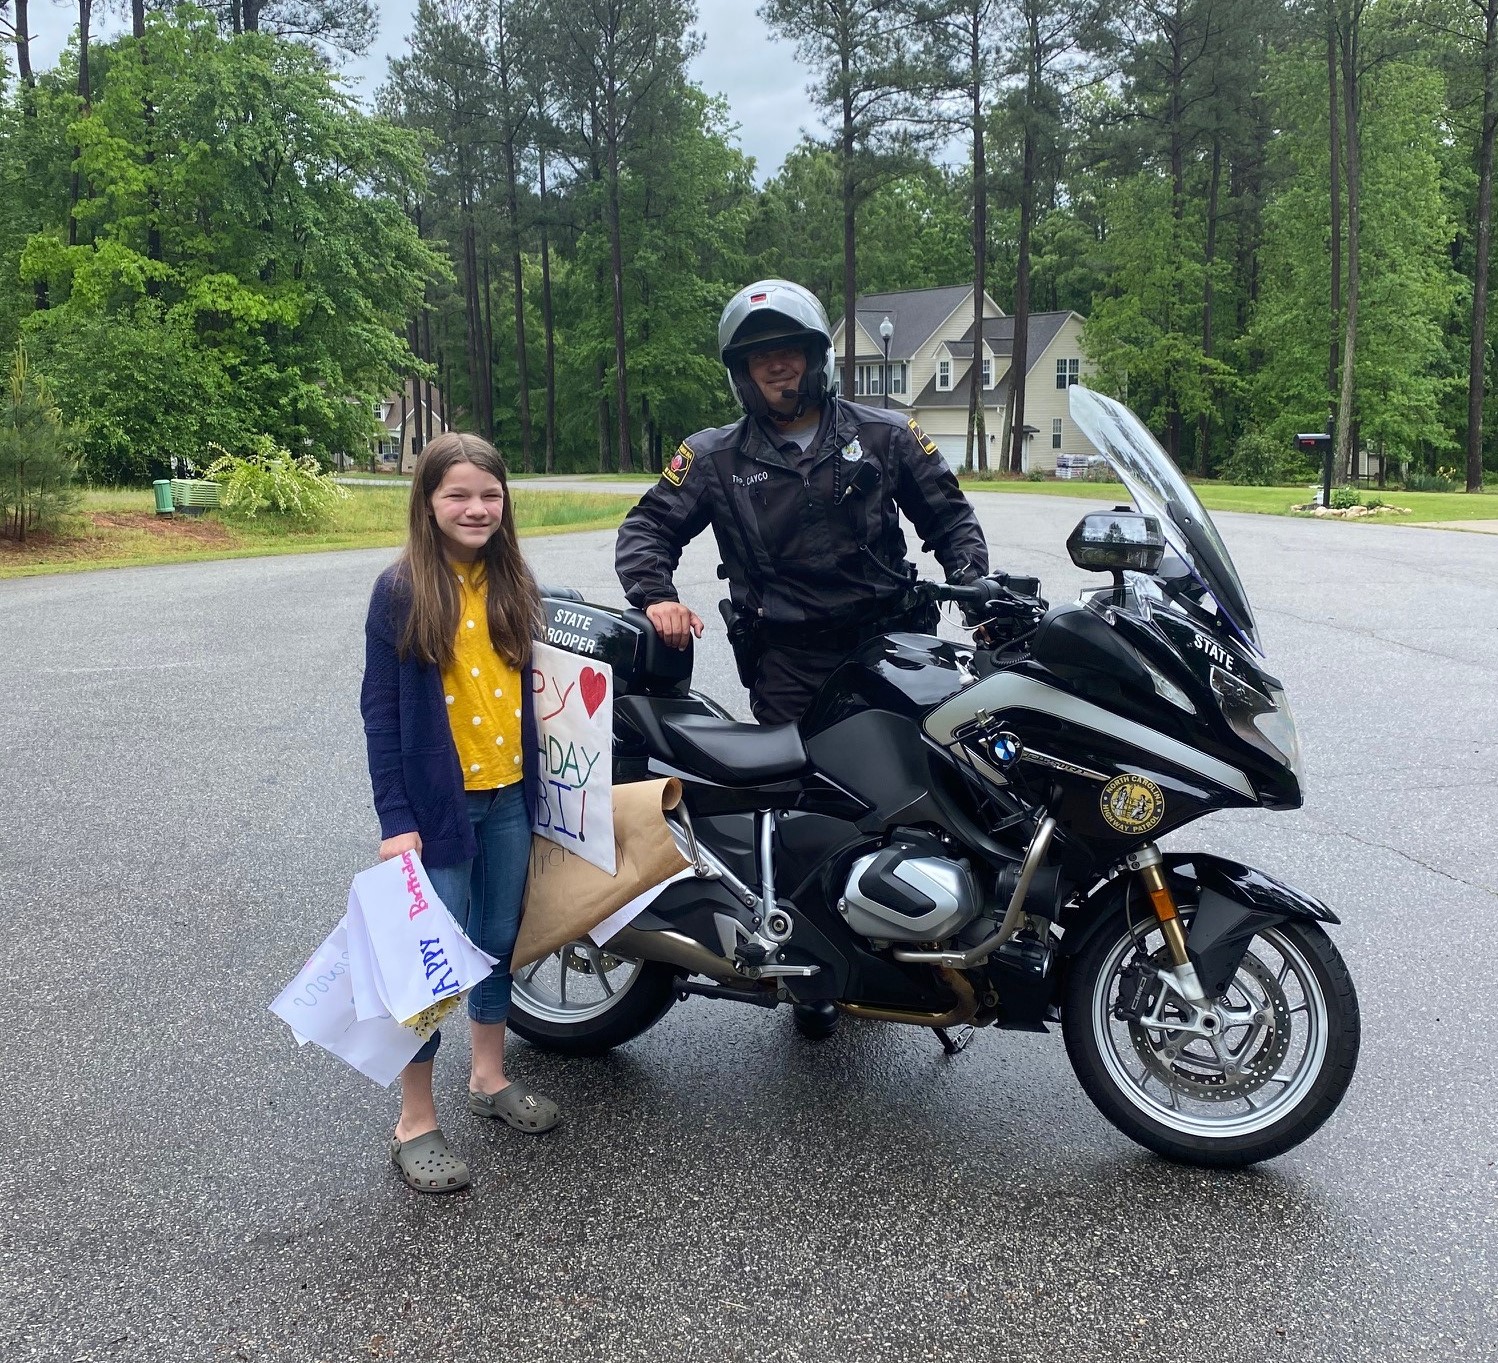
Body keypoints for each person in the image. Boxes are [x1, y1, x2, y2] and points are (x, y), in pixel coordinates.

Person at [615, 278, 990, 725]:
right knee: (801, 789)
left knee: (939, 770)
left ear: (814, 356)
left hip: (894, 647)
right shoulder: (714, 458)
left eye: (788, 349)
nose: (776, 366)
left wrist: (977, 591)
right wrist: (657, 596)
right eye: (760, 356)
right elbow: (647, 529)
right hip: (790, 666)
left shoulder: (884, 435)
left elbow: (951, 520)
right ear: (744, 374)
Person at [361, 431, 558, 1195]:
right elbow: (381, 712)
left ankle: (487, 1076)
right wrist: (394, 820)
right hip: (437, 808)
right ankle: (414, 1120)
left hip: (510, 796)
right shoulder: (403, 589)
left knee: (497, 941)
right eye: (458, 494)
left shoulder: (513, 582)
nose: (476, 508)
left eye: (489, 494)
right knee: (430, 967)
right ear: (429, 501)